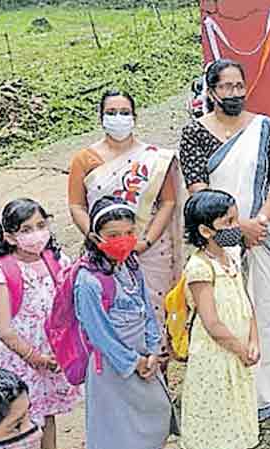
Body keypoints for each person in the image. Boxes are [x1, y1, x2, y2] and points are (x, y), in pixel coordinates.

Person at [179, 59, 270, 420]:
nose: (233, 93)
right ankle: (231, 395)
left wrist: (258, 222)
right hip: (217, 240)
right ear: (211, 91)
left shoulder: (264, 129)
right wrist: (234, 228)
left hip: (263, 236)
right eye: (225, 87)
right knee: (226, 314)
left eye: (238, 86)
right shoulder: (194, 134)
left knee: (267, 308)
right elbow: (198, 192)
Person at [76, 197, 173, 449]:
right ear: (96, 238)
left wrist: (154, 349)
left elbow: (147, 310)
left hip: (144, 357)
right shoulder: (88, 281)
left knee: (151, 413)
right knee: (113, 427)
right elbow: (98, 333)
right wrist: (132, 363)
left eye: (129, 233)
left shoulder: (132, 266)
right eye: (114, 235)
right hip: (111, 367)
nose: (123, 241)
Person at [0, 198, 87, 449]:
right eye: (26, 229)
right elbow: (2, 328)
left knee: (47, 411)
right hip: (21, 359)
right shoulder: (0, 274)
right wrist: (34, 357)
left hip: (51, 355)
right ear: (9, 236)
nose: (36, 234)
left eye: (41, 225)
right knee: (20, 421)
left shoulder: (56, 261)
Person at [68, 89, 184, 332]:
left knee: (156, 313)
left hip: (150, 250)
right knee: (109, 313)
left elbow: (168, 202)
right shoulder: (84, 159)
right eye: (111, 113)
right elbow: (77, 205)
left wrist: (146, 241)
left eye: (124, 112)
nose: (118, 117)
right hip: (104, 250)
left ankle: (157, 364)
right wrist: (98, 239)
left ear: (135, 117)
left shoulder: (154, 159)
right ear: (101, 117)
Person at [181, 191, 263, 449]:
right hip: (216, 356)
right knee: (214, 419)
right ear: (205, 231)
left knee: (232, 412)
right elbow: (212, 322)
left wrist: (254, 338)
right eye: (227, 222)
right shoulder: (200, 268)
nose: (234, 226)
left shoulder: (230, 257)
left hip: (236, 351)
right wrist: (241, 348)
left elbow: (246, 300)